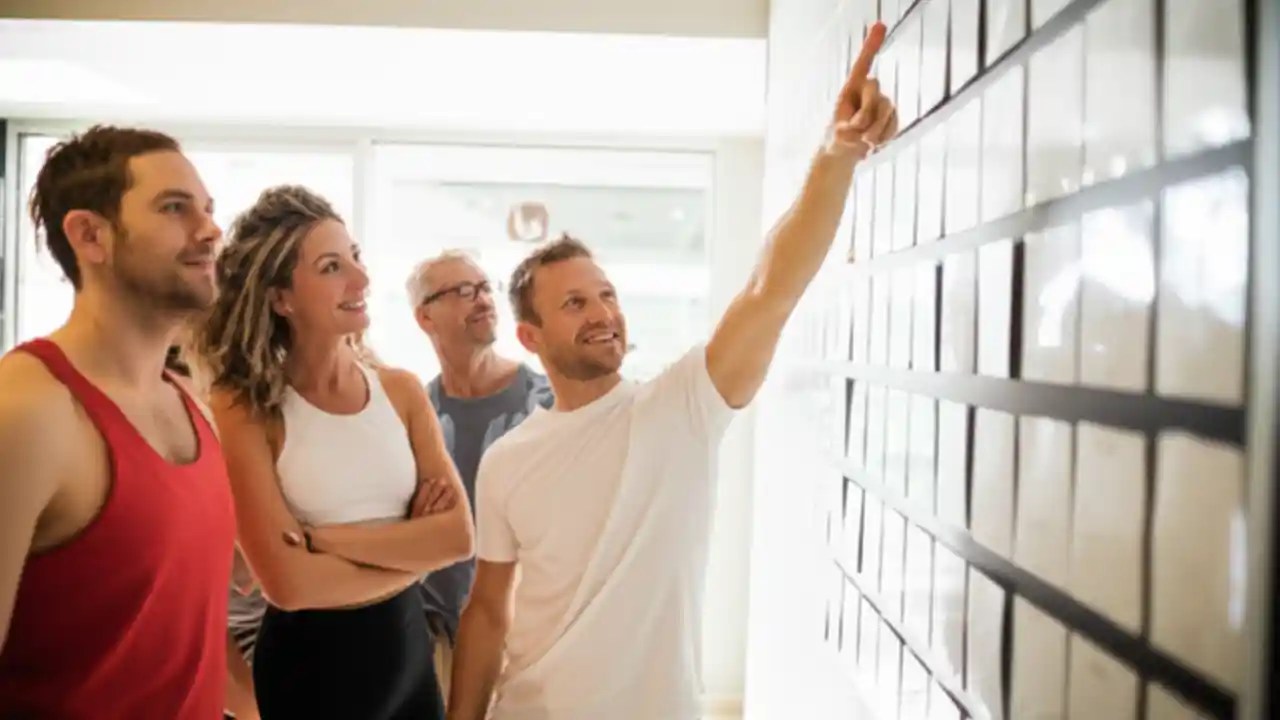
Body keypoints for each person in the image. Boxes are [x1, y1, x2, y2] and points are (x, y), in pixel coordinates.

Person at [447, 22, 897, 720]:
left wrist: (836, 153)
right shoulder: (507, 460)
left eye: (607, 294)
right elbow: (485, 615)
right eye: (574, 303)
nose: (602, 313)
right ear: (531, 337)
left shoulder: (683, 406)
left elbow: (769, 287)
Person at [196, 184, 474, 720]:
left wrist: (325, 541)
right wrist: (413, 553)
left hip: (409, 662)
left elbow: (458, 538)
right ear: (281, 299)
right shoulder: (245, 407)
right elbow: (289, 585)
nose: (361, 280)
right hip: (310, 673)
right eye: (331, 267)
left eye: (356, 258)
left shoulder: (402, 391)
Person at [0, 126, 235, 717]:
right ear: (90, 236)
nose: (210, 230)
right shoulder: (27, 410)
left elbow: (173, 640)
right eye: (174, 208)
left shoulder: (191, 405)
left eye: (208, 210)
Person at [405, 251, 554, 695]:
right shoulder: (415, 415)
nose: (483, 300)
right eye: (463, 291)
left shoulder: (544, 404)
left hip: (524, 639)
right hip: (433, 641)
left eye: (486, 287)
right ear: (425, 316)